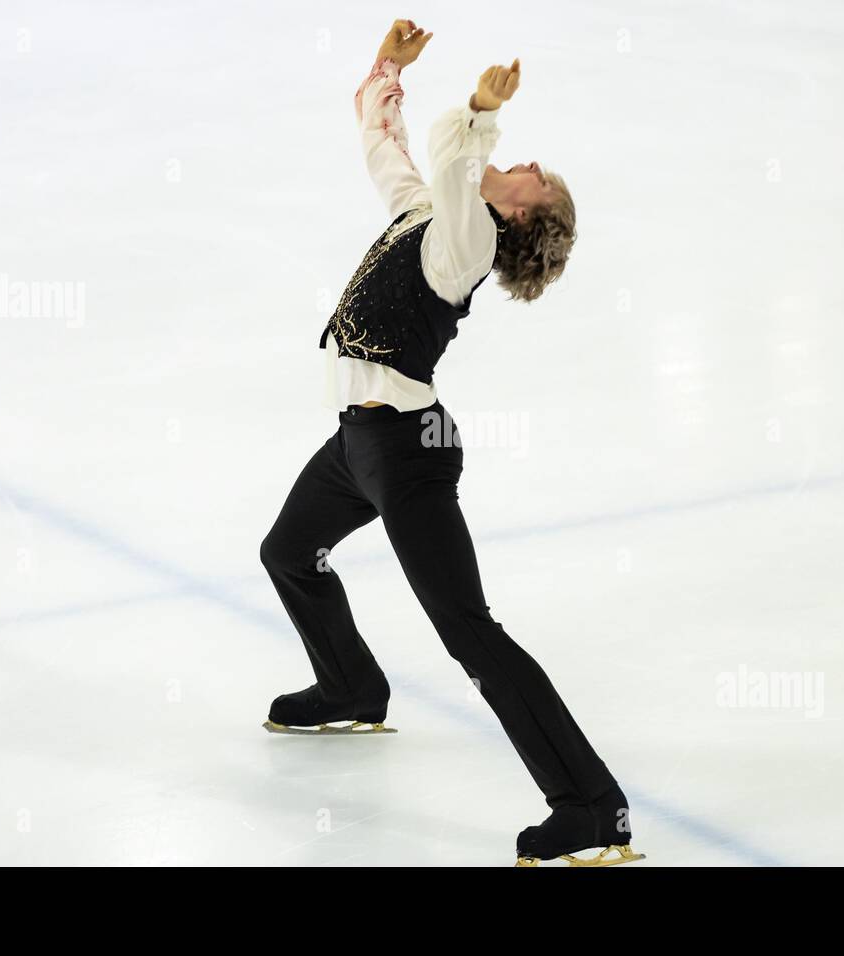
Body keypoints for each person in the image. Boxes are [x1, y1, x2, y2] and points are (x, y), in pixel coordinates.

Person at [260, 19, 643, 867]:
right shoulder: (432, 217)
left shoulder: (466, 242)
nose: (533, 167)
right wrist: (387, 70)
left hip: (405, 456)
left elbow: (447, 155)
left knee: (471, 633)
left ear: (516, 216)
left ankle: (592, 807)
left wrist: (475, 110)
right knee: (288, 553)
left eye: (540, 183)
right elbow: (389, 148)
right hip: (359, 446)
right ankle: (350, 685)